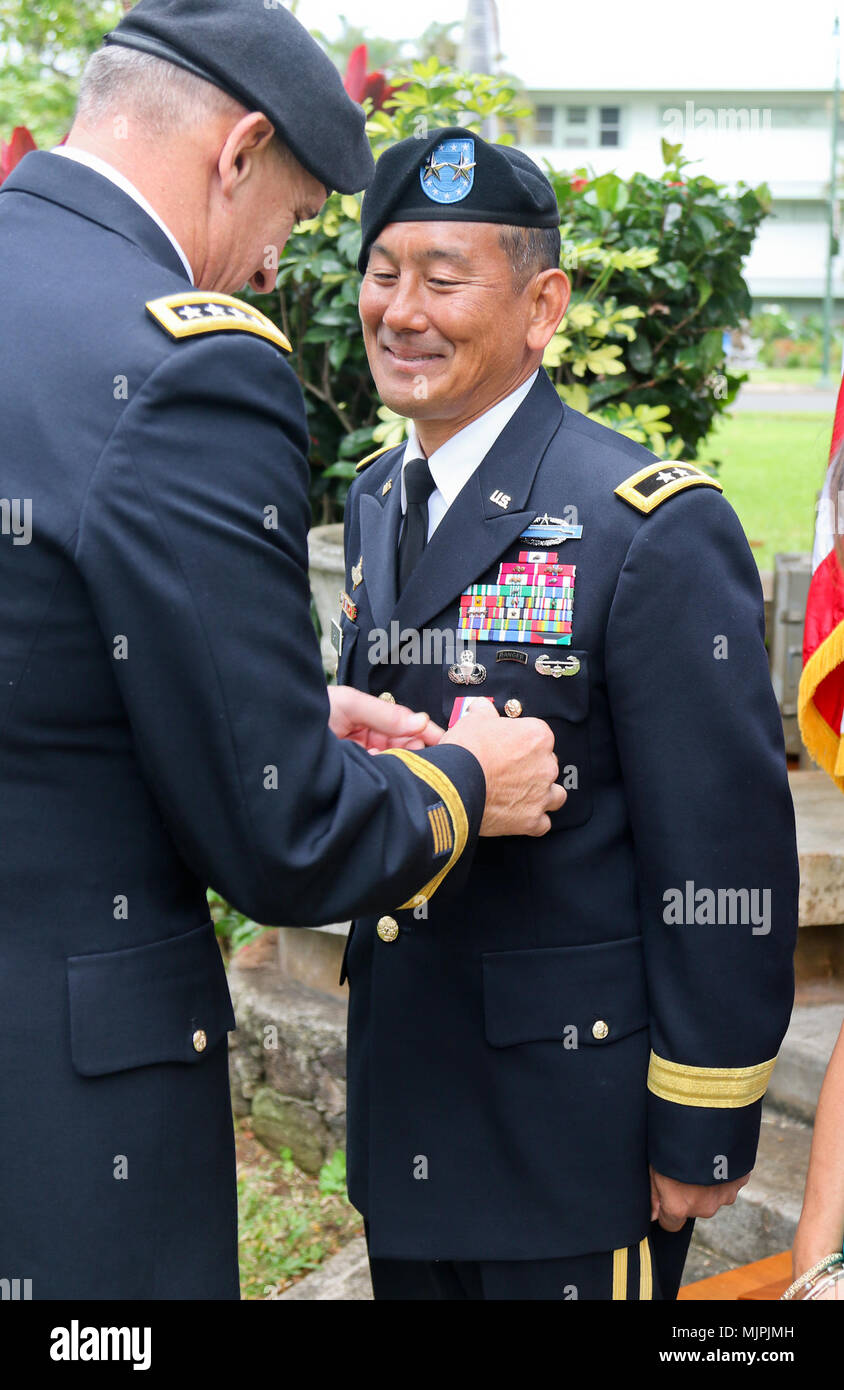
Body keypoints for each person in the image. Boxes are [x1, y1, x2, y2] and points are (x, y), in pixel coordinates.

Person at [0, 10, 562, 1300]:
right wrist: (469, 779)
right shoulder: (182, 364)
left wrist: (267, 700)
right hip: (66, 1129)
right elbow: (287, 840)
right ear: (238, 149)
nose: (269, 271)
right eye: (299, 221)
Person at [337, 127, 800, 1300]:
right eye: (382, 273)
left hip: (568, 1130)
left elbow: (724, 841)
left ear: (543, 305)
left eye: (444, 279)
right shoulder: (383, 491)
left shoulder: (644, 520)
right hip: (413, 1097)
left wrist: (703, 1113)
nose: (401, 311)